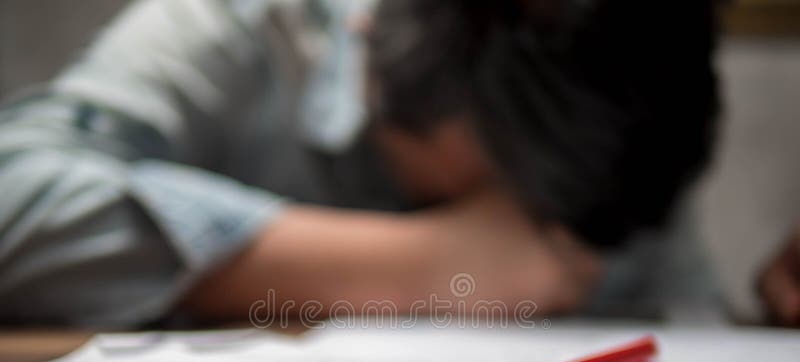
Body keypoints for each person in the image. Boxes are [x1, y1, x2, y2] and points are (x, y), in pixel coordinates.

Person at [0, 0, 733, 326]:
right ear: (377, 73)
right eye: (487, 195)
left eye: (549, 215)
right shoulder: (240, 27)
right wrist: (428, 265)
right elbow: (17, 191)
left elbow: (690, 323)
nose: (526, 228)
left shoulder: (614, 123)